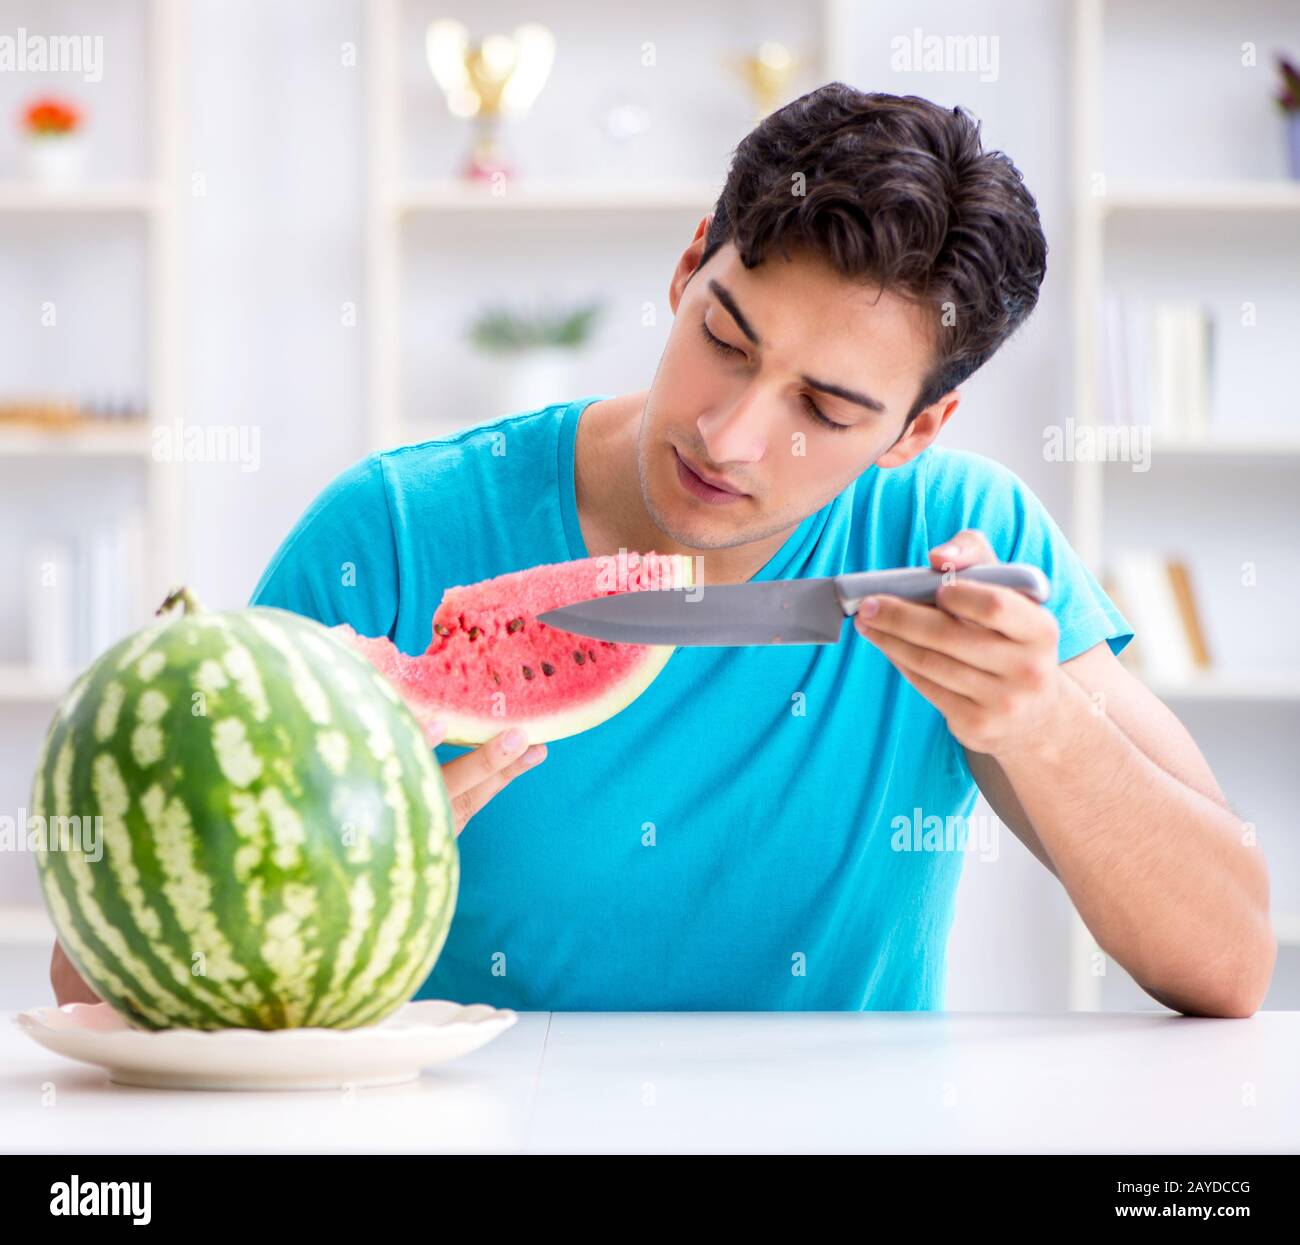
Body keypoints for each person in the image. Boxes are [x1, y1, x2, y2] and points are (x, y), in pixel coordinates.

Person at [52, 83, 1274, 1016]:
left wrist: (1041, 726)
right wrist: (324, 867)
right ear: (690, 264)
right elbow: (88, 983)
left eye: (827, 410)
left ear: (917, 429)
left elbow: (1229, 961)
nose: (732, 434)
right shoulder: (392, 531)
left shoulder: (962, 552)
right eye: (726, 340)